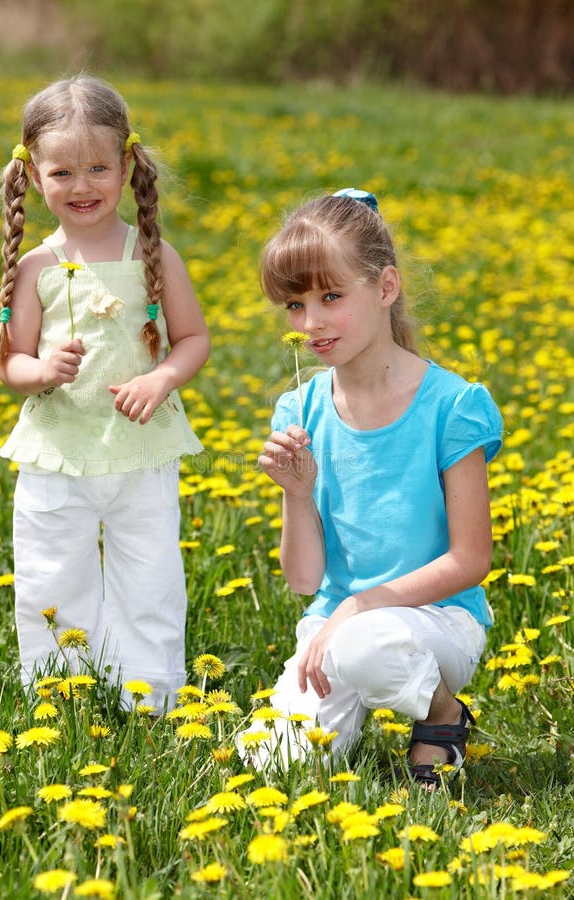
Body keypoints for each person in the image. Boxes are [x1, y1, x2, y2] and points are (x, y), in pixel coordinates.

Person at [242, 188, 503, 788]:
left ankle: (442, 713)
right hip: (335, 627)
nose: (310, 323)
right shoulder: (300, 409)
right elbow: (306, 582)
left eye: (331, 296)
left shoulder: (452, 407)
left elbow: (472, 559)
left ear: (385, 288)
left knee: (368, 644)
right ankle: (356, 694)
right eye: (295, 305)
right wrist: (297, 493)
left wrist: (361, 607)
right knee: (275, 765)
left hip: (434, 621)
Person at [0, 75, 209, 712]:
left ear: (127, 165)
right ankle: (61, 692)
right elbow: (12, 363)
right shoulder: (37, 267)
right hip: (59, 453)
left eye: (97, 168)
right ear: (32, 176)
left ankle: (152, 697)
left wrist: (162, 376)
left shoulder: (155, 256)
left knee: (151, 577)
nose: (81, 186)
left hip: (141, 449)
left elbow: (192, 338)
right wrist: (44, 369)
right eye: (62, 172)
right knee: (52, 575)